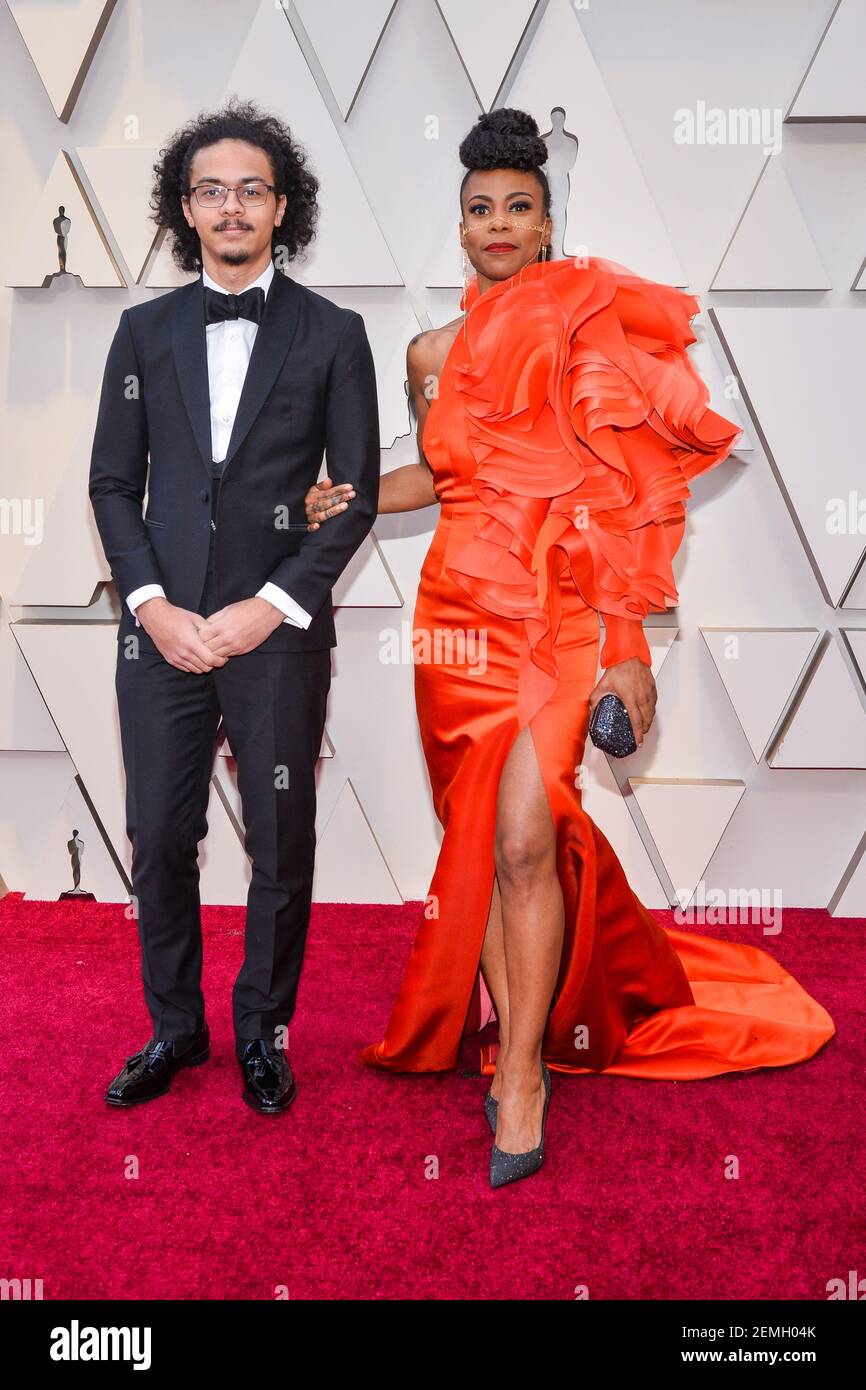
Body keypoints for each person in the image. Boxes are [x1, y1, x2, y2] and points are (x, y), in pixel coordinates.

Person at [305, 108, 835, 1187]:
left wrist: (628, 649)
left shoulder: (584, 323)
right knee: (480, 847)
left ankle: (522, 1080)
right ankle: (512, 1029)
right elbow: (436, 476)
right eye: (476, 208)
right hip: (452, 614)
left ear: (547, 220)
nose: (495, 223)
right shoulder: (425, 350)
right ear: (457, 226)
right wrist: (357, 490)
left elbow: (631, 496)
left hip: (552, 615)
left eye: (515, 206)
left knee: (524, 838)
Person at [89, 98, 380, 1114]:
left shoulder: (334, 334)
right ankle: (175, 1027)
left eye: (250, 188)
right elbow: (112, 486)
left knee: (279, 836)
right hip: (162, 632)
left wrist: (270, 605)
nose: (230, 206)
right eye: (210, 189)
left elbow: (357, 495)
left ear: (280, 205)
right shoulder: (140, 332)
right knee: (159, 837)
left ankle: (264, 1028)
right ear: (185, 207)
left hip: (275, 637)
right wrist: (153, 604)